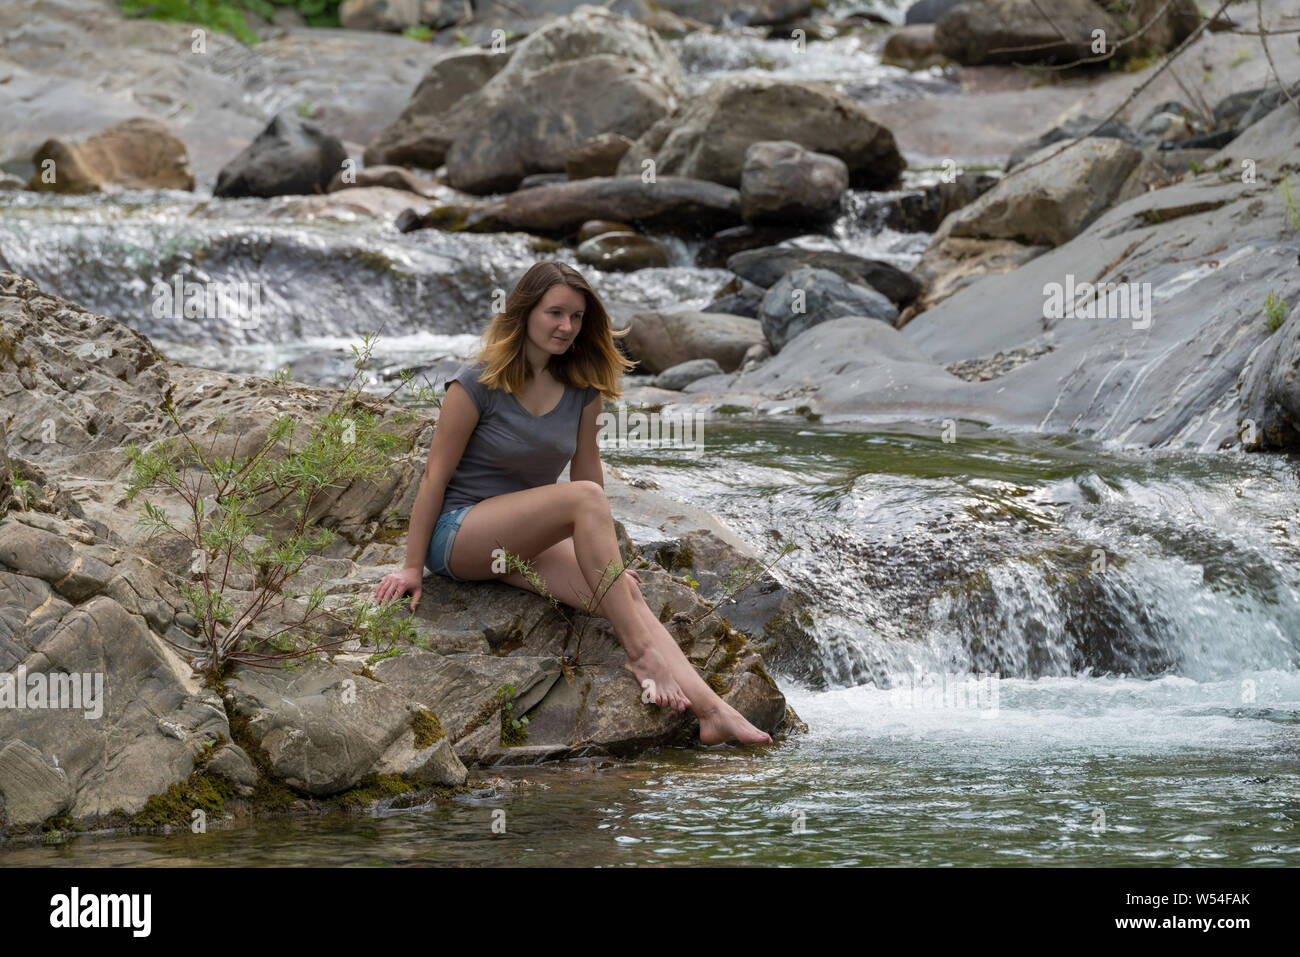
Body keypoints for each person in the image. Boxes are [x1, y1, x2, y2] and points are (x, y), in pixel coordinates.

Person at [372, 261, 772, 746]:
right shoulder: (475, 383)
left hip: (522, 541)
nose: (566, 327)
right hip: (460, 535)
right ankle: (641, 655)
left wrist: (610, 566)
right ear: (524, 312)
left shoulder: (582, 389)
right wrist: (412, 567)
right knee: (585, 502)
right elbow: (435, 475)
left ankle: (713, 713)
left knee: (623, 593)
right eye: (555, 313)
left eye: (577, 317)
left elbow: (588, 470)